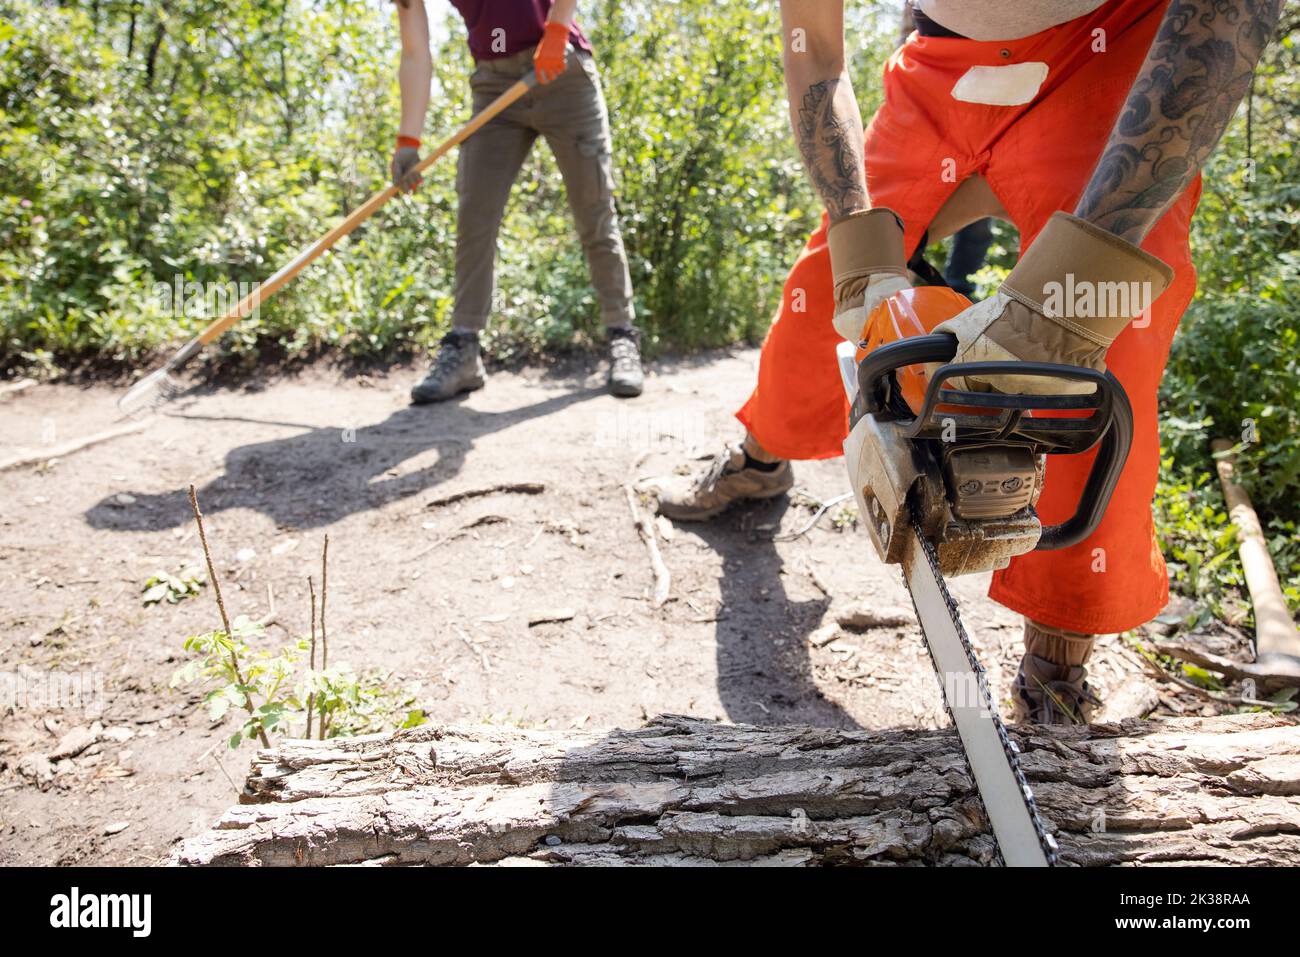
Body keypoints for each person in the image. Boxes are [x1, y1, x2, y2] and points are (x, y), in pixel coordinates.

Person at [653, 0, 1282, 723]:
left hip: (1115, 51)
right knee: (822, 285)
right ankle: (763, 458)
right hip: (940, 70)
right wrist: (865, 255)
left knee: (1105, 338)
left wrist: (1059, 309)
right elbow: (816, 52)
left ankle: (1058, 653)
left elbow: (1230, 12)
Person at [391, 0, 643, 402]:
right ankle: (464, 348)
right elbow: (415, 53)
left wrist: (558, 28)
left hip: (561, 69)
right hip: (495, 84)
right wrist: (409, 140)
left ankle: (622, 336)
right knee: (475, 215)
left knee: (594, 210)